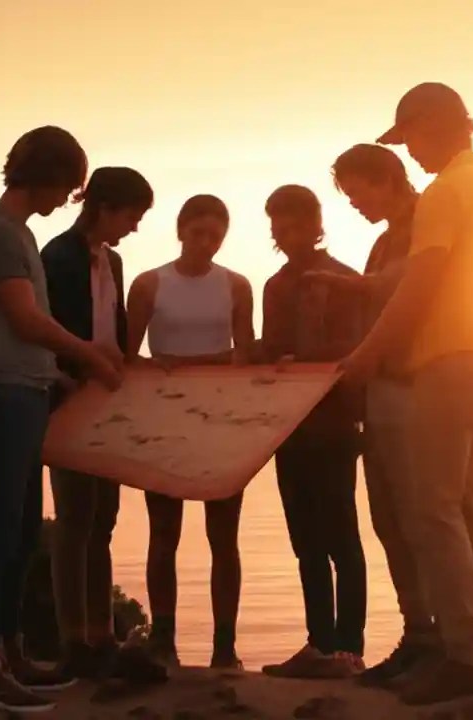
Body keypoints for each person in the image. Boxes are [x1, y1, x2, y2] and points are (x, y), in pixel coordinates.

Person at [342, 83, 473, 704]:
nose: (409, 152)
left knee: (434, 509)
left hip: (447, 360)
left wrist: (366, 356)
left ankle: (467, 659)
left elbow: (418, 287)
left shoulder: (448, 190)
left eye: (410, 137)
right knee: (467, 503)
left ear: (434, 124)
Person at [0, 126, 123, 713]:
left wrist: (60, 377)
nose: (66, 200)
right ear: (48, 176)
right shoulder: (0, 235)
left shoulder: (19, 235)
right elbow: (25, 321)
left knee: (23, 532)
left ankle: (10, 649)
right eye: (67, 187)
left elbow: (25, 338)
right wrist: (88, 354)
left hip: (27, 391)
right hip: (2, 396)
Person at [309, 143, 433, 687]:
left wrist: (347, 286)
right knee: (387, 518)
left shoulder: (429, 222)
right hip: (380, 389)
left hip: (417, 386)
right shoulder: (384, 239)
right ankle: (419, 632)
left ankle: (446, 634)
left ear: (387, 177)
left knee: (423, 513)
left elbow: (410, 294)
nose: (355, 204)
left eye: (359, 191)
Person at [41, 166, 164, 683]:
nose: (133, 227)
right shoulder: (57, 257)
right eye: (131, 216)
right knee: (74, 521)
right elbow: (45, 328)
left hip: (106, 399)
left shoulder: (112, 261)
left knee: (102, 521)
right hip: (68, 396)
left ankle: (100, 633)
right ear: (105, 208)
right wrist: (69, 380)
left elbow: (114, 332)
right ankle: (74, 639)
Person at [125, 194, 255, 669]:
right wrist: (186, 368)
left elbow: (243, 355)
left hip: (220, 421)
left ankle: (225, 646)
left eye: (216, 236)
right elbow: (126, 357)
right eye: (198, 233)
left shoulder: (237, 285)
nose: (206, 243)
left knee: (224, 537)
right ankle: (164, 639)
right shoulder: (148, 284)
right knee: (164, 534)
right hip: (164, 419)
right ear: (181, 231)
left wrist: (185, 366)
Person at [255, 185, 368, 679]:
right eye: (278, 226)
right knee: (305, 541)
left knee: (342, 537)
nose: (286, 234)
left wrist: (301, 361)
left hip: (336, 423)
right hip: (290, 427)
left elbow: (359, 347)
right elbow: (272, 347)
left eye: (295, 224)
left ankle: (349, 648)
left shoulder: (346, 280)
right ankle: (319, 644)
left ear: (315, 223)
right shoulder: (275, 286)